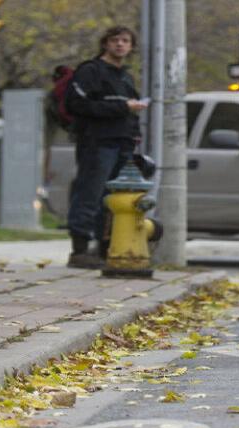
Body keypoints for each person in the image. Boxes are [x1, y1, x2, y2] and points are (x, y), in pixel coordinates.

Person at [64, 26, 147, 269]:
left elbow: (128, 112)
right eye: (115, 40)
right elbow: (77, 104)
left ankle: (104, 248)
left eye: (125, 41)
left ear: (131, 47)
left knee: (111, 199)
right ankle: (79, 250)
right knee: (89, 193)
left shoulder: (125, 77)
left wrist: (134, 135)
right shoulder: (90, 71)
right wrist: (122, 108)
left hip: (123, 143)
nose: (120, 45)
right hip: (97, 142)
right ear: (105, 44)